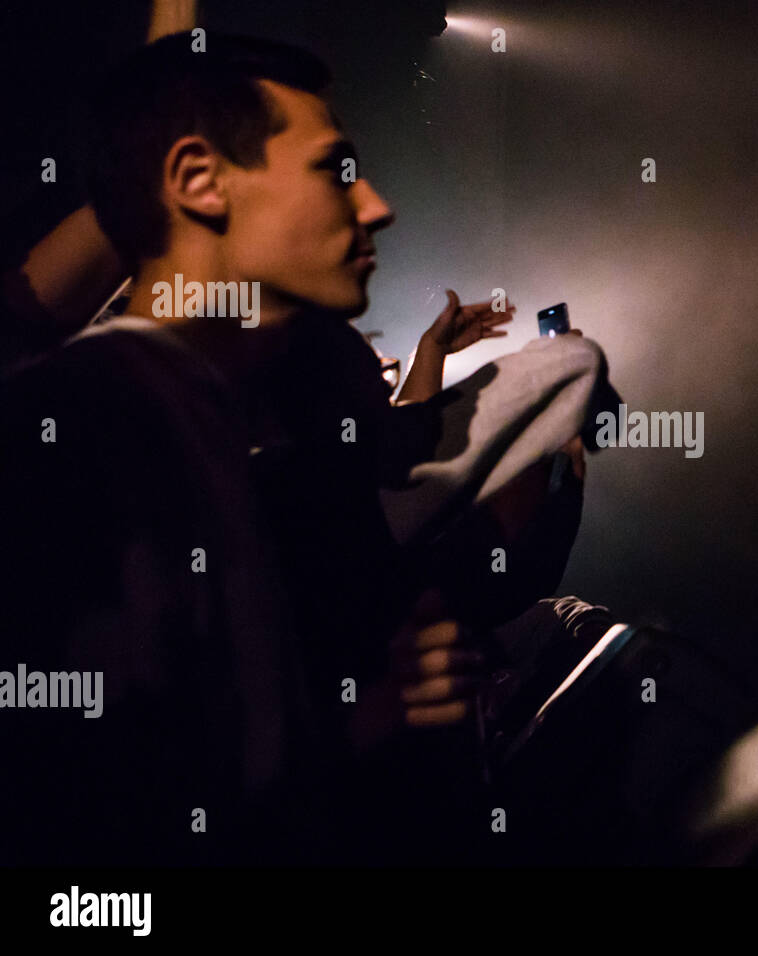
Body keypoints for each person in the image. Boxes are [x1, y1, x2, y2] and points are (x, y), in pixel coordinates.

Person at [0, 32, 606, 864]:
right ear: (197, 182)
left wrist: (360, 715)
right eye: (336, 171)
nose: (376, 206)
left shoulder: (210, 429)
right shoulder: (84, 433)